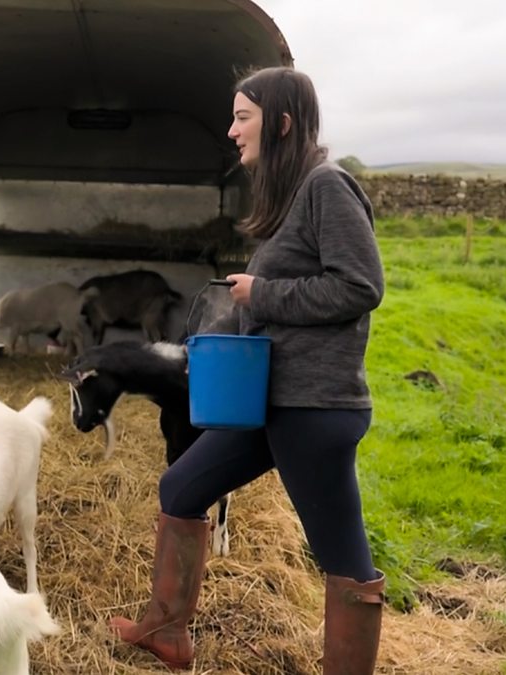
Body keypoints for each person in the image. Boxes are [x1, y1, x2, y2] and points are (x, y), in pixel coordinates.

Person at [109, 67, 386, 674]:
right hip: (268, 402)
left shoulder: (327, 186)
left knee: (343, 557)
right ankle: (166, 630)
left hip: (314, 408)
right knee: (180, 487)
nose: (231, 130)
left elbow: (361, 286)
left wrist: (262, 294)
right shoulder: (292, 195)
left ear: (282, 123)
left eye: (243, 116)